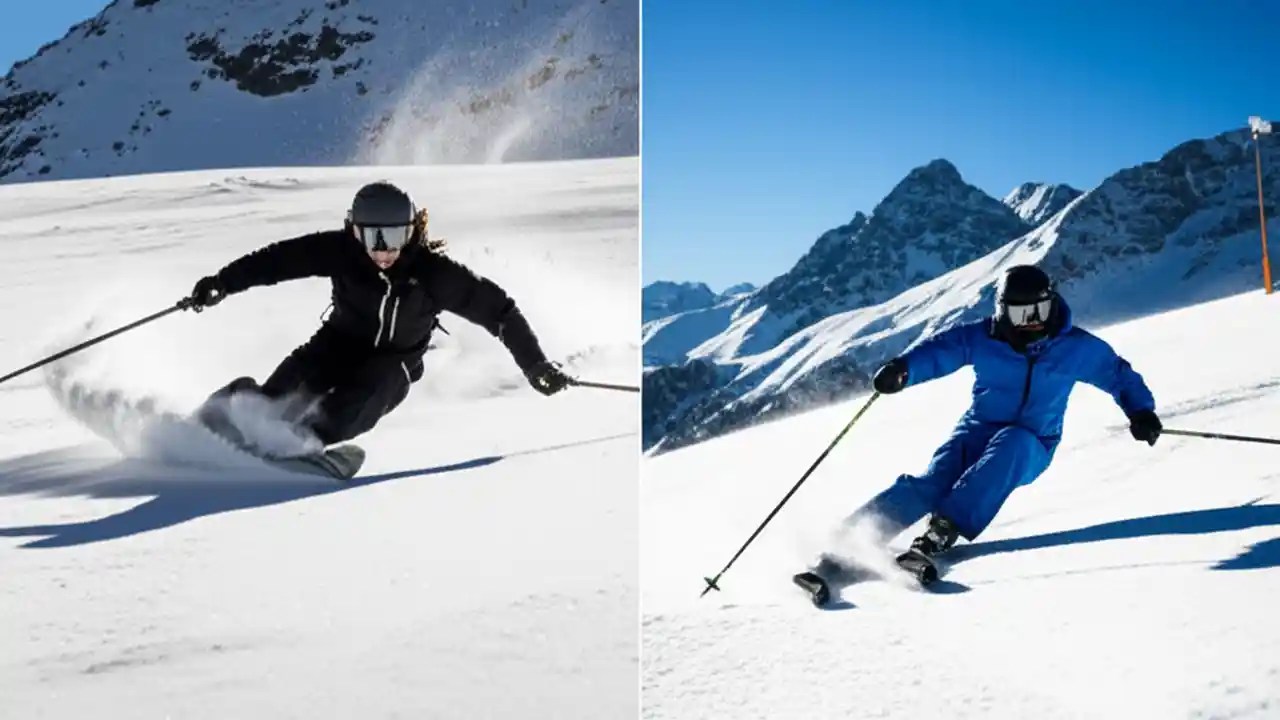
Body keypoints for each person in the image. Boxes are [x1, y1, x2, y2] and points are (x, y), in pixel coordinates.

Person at [185, 181, 573, 451]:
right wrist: (222, 283)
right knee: (270, 403)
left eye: (395, 237)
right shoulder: (340, 252)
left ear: (412, 232)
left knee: (369, 391)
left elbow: (499, 312)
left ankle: (303, 442)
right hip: (333, 346)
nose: (384, 250)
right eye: (374, 238)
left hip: (394, 364)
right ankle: (212, 419)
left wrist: (535, 365)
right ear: (355, 233)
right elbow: (277, 261)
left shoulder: (434, 274)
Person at [842, 264, 1162, 564]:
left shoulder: (1074, 347)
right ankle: (851, 538)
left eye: (1040, 310)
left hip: (1034, 441)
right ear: (1003, 312)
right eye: (1022, 314)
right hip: (976, 431)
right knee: (936, 480)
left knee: (1013, 443)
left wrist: (1141, 412)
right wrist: (904, 369)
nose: (1034, 321)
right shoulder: (984, 338)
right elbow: (943, 349)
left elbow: (1116, 374)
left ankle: (944, 528)